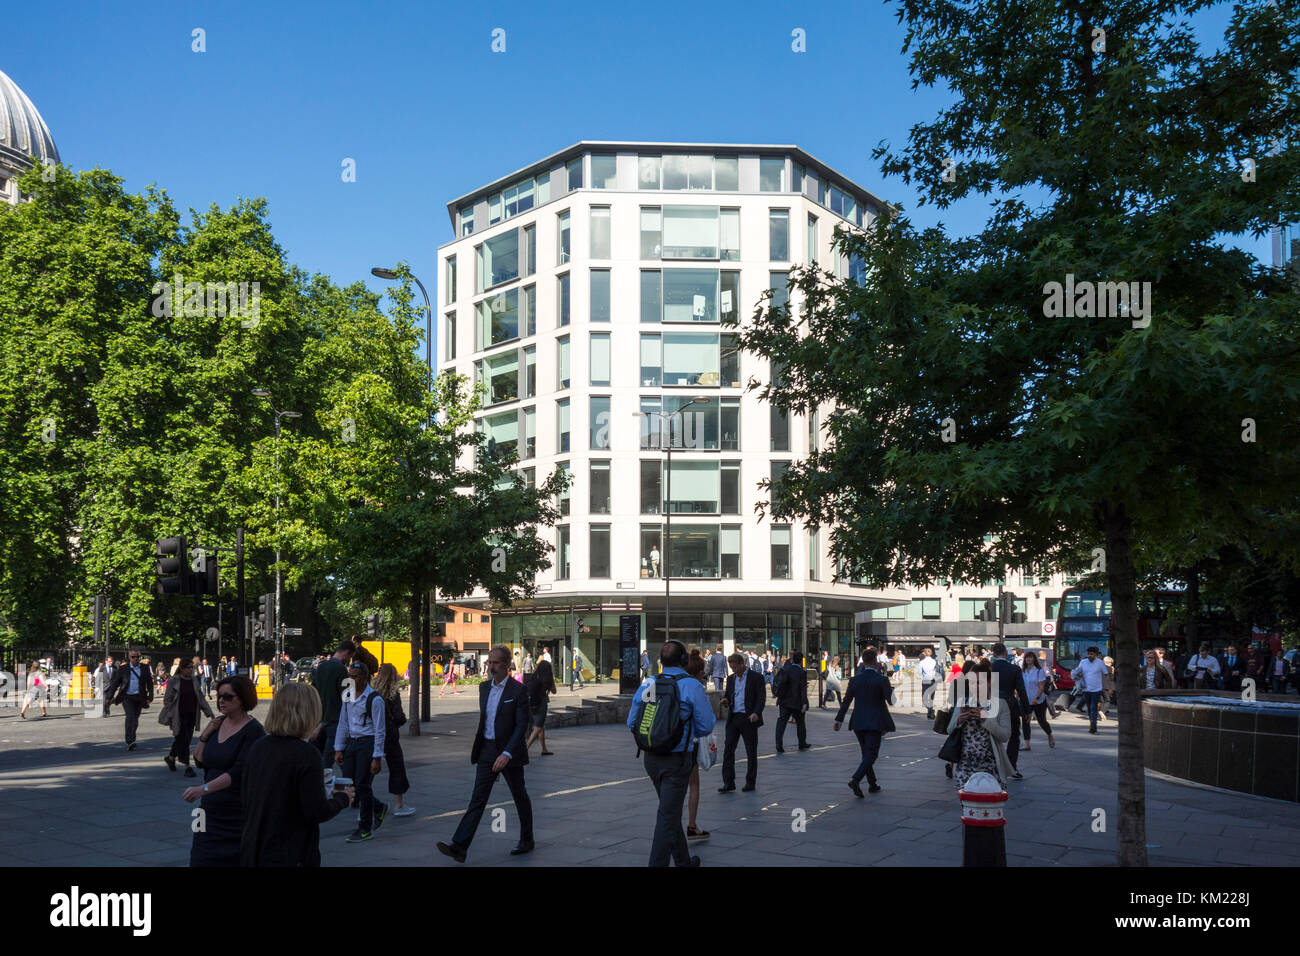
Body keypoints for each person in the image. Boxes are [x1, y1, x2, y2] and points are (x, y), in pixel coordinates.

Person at [239, 682, 354, 867]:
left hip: (254, 847)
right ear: (310, 712)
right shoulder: (306, 754)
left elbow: (247, 797)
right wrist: (342, 798)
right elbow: (316, 811)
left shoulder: (259, 747)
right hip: (289, 851)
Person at [437, 646, 535, 862]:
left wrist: (507, 753)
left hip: (509, 752)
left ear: (507, 664)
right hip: (487, 750)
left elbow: (521, 726)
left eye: (496, 663)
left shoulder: (517, 691)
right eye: (489, 662)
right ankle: (459, 846)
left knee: (520, 796)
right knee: (478, 798)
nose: (491, 666)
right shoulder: (483, 688)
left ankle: (527, 839)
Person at [625, 640, 714, 867]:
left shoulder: (649, 683)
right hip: (677, 760)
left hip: (651, 758)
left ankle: (683, 862)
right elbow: (706, 726)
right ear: (683, 661)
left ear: (661, 662)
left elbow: (631, 721)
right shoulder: (691, 686)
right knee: (667, 817)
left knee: (669, 812)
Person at [184, 675, 265, 866]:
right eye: (219, 696)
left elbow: (238, 772)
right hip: (208, 810)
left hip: (235, 813)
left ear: (243, 699)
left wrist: (202, 789)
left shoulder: (253, 731)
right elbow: (199, 759)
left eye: (228, 697)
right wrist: (205, 735)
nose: (221, 701)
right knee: (199, 858)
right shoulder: (219, 723)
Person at [333, 660, 388, 843]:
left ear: (365, 677)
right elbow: (343, 722)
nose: (351, 679)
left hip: (368, 743)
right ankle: (379, 808)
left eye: (355, 677)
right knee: (351, 784)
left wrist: (377, 757)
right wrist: (339, 748)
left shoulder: (375, 699)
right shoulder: (348, 695)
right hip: (352, 743)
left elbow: (380, 730)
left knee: (363, 785)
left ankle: (365, 828)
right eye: (349, 676)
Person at [834, 647, 896, 795]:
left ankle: (872, 783)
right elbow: (891, 701)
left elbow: (846, 701)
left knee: (865, 754)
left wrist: (839, 719)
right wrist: (890, 687)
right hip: (875, 721)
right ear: (875, 662)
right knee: (872, 754)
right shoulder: (882, 680)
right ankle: (855, 780)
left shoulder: (855, 680)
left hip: (858, 721)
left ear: (864, 662)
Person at [947, 659, 1012, 787]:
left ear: (989, 682)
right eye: (971, 683)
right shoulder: (962, 702)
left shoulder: (1000, 705)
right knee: (967, 805)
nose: (975, 687)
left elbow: (1005, 736)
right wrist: (959, 720)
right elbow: (949, 730)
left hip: (990, 766)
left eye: (979, 683)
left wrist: (986, 719)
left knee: (989, 805)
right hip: (965, 766)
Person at [719, 652, 765, 794]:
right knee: (728, 750)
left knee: (751, 752)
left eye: (735, 667)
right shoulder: (731, 679)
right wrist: (726, 701)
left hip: (748, 718)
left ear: (742, 664)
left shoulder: (756, 678)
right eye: (731, 667)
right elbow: (728, 695)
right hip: (734, 718)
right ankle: (728, 782)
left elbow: (761, 698)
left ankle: (750, 782)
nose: (733, 670)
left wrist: (756, 713)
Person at [372, 663, 414, 817]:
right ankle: (399, 805)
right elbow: (399, 717)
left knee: (368, 771)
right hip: (390, 736)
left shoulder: (372, 693)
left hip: (373, 735)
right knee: (397, 769)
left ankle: (365, 804)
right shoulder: (393, 694)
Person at [160, 658, 214, 777]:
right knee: (182, 739)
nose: (191, 670)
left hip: (192, 714)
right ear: (182, 668)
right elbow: (167, 699)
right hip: (178, 715)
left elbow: (200, 697)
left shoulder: (194, 680)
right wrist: (171, 712)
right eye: (188, 668)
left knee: (184, 739)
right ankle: (187, 767)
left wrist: (209, 712)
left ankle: (171, 758)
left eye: (192, 668)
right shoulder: (174, 680)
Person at [683, 648, 713, 841]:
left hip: (664, 746)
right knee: (693, 785)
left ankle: (670, 824)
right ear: (700, 672)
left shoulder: (668, 683)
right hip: (687, 744)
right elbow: (707, 723)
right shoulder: (695, 687)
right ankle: (692, 825)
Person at [990, 643, 1031, 779]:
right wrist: (1027, 709)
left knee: (991, 734)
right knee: (1014, 735)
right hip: (1009, 704)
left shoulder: (989, 668)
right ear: (1005, 654)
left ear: (994, 654)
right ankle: (1011, 767)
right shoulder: (1014, 669)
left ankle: (993, 766)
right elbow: (1021, 690)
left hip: (992, 704)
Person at [311, 640, 351, 769]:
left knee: (318, 757)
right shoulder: (342, 670)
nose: (349, 660)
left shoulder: (321, 667)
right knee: (330, 759)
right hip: (335, 721)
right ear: (346, 653)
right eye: (349, 657)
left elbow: (314, 690)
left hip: (319, 719)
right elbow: (348, 697)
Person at [107, 649, 155, 750]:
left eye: (137, 657)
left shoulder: (145, 668)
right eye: (133, 657)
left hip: (139, 696)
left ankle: (132, 735)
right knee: (130, 716)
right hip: (127, 696)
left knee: (135, 719)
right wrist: (109, 697)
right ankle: (130, 740)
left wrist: (150, 697)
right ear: (129, 658)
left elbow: (150, 684)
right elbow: (115, 683)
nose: (136, 659)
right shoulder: (123, 668)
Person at [773, 650, 811, 752]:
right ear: (801, 661)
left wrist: (779, 698)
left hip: (784, 701)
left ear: (793, 660)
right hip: (797, 702)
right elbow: (803, 689)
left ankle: (778, 743)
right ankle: (802, 743)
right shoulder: (802, 672)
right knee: (800, 723)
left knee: (782, 722)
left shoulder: (787, 669)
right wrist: (804, 703)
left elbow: (782, 685)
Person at [1071, 646, 1110, 734]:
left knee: (1093, 707)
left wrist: (1110, 688)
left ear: (1095, 654)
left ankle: (1093, 726)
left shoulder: (1100, 663)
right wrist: (1076, 675)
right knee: (1089, 708)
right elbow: (1077, 672)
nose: (1089, 656)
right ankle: (1092, 723)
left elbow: (1106, 675)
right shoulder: (1083, 662)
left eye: (1091, 654)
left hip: (1097, 689)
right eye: (1088, 654)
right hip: (1086, 689)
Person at [1019, 651, 1054, 750]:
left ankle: (1049, 734)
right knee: (1025, 722)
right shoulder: (1022, 671)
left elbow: (1041, 686)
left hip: (1038, 700)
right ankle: (1027, 744)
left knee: (1042, 721)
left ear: (1034, 659)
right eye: (1027, 658)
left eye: (1030, 657)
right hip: (1026, 701)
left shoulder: (1039, 671)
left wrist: (1037, 698)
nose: (1028, 659)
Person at [524, 659, 557, 755]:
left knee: (541, 725)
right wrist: (552, 681)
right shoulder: (548, 678)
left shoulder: (534, 676)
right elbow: (554, 691)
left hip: (530, 703)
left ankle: (544, 749)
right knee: (538, 727)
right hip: (541, 702)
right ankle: (526, 748)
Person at [918, 646, 939, 719]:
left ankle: (930, 710)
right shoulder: (934, 661)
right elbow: (936, 670)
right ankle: (930, 711)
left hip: (925, 680)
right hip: (933, 680)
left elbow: (919, 672)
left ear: (925, 654)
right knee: (931, 696)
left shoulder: (922, 662)